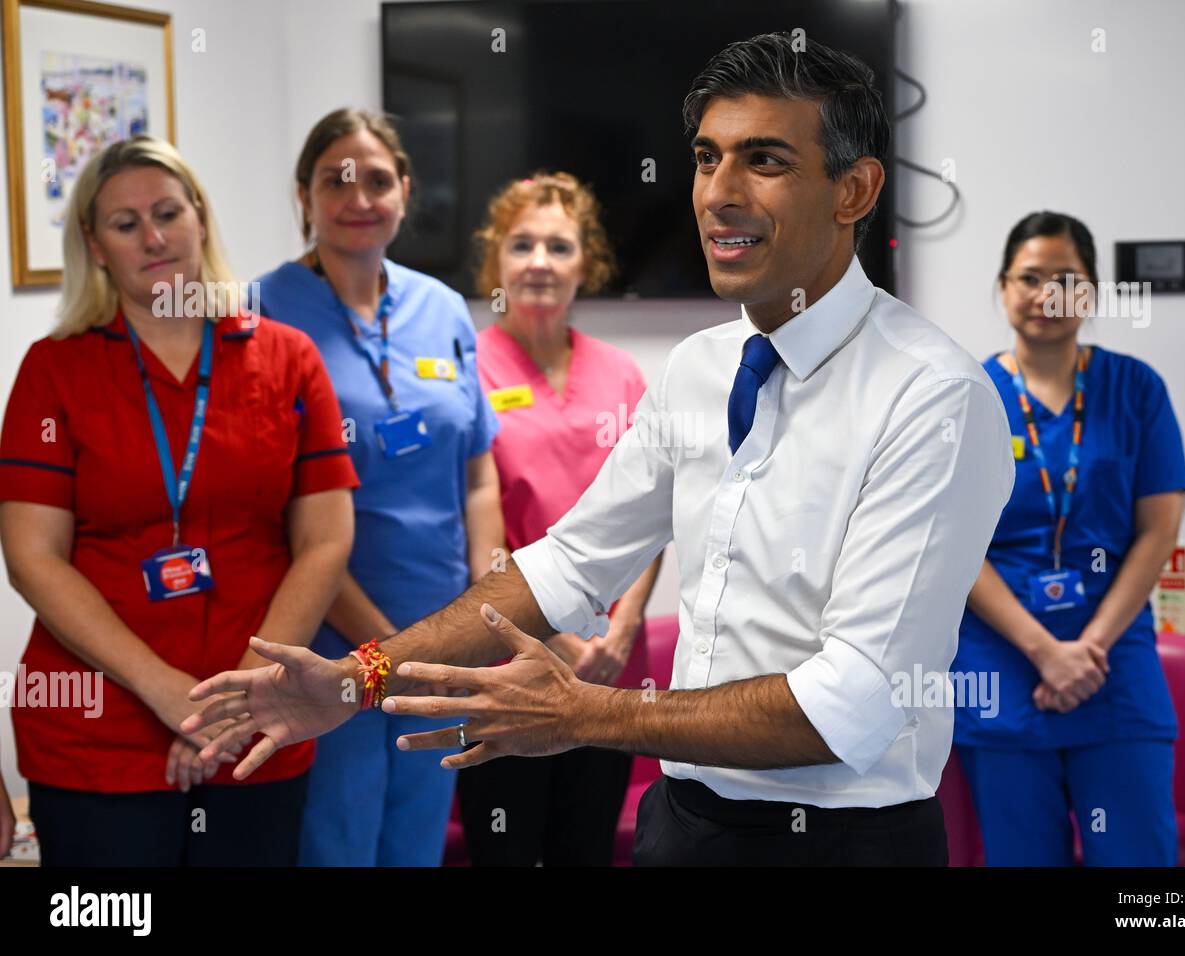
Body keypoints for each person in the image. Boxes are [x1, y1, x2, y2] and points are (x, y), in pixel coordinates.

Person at [186, 33, 1013, 867]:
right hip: (682, 822)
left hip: (842, 844)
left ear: (854, 189)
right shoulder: (700, 367)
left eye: (763, 160)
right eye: (705, 158)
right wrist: (360, 678)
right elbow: (571, 564)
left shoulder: (932, 396)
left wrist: (583, 714)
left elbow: (853, 706)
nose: (719, 194)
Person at [0, 136, 357, 866]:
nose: (154, 237)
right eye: (126, 224)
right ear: (95, 246)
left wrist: (241, 696)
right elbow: (32, 557)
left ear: (200, 218)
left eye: (168, 212)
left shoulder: (287, 357)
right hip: (98, 730)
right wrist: (166, 691)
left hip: (260, 719)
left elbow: (324, 540)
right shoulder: (54, 370)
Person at [253, 108, 502, 867]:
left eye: (379, 179)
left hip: (444, 643)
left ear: (405, 192)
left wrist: (481, 603)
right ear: (303, 196)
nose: (359, 196)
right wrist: (380, 648)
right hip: (332, 639)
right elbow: (272, 506)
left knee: (417, 842)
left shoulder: (443, 307)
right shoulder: (259, 313)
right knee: (338, 840)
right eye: (337, 180)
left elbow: (479, 470)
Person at [953, 211, 1185, 866]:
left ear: (1091, 292)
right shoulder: (964, 396)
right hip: (1000, 663)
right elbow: (954, 544)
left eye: (1067, 279)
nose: (1047, 294)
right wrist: (1043, 651)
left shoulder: (1136, 388)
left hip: (1111, 660)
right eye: (1030, 278)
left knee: (1137, 862)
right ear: (1003, 288)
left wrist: (1085, 648)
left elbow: (1157, 530)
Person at [459, 171, 663, 865]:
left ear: (588, 263)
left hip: (608, 668)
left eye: (558, 245)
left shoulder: (622, 374)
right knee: (506, 850)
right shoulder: (469, 368)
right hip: (508, 660)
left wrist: (626, 622)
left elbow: (651, 511)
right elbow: (478, 539)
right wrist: (561, 642)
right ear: (497, 264)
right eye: (521, 245)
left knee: (586, 849)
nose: (540, 261)